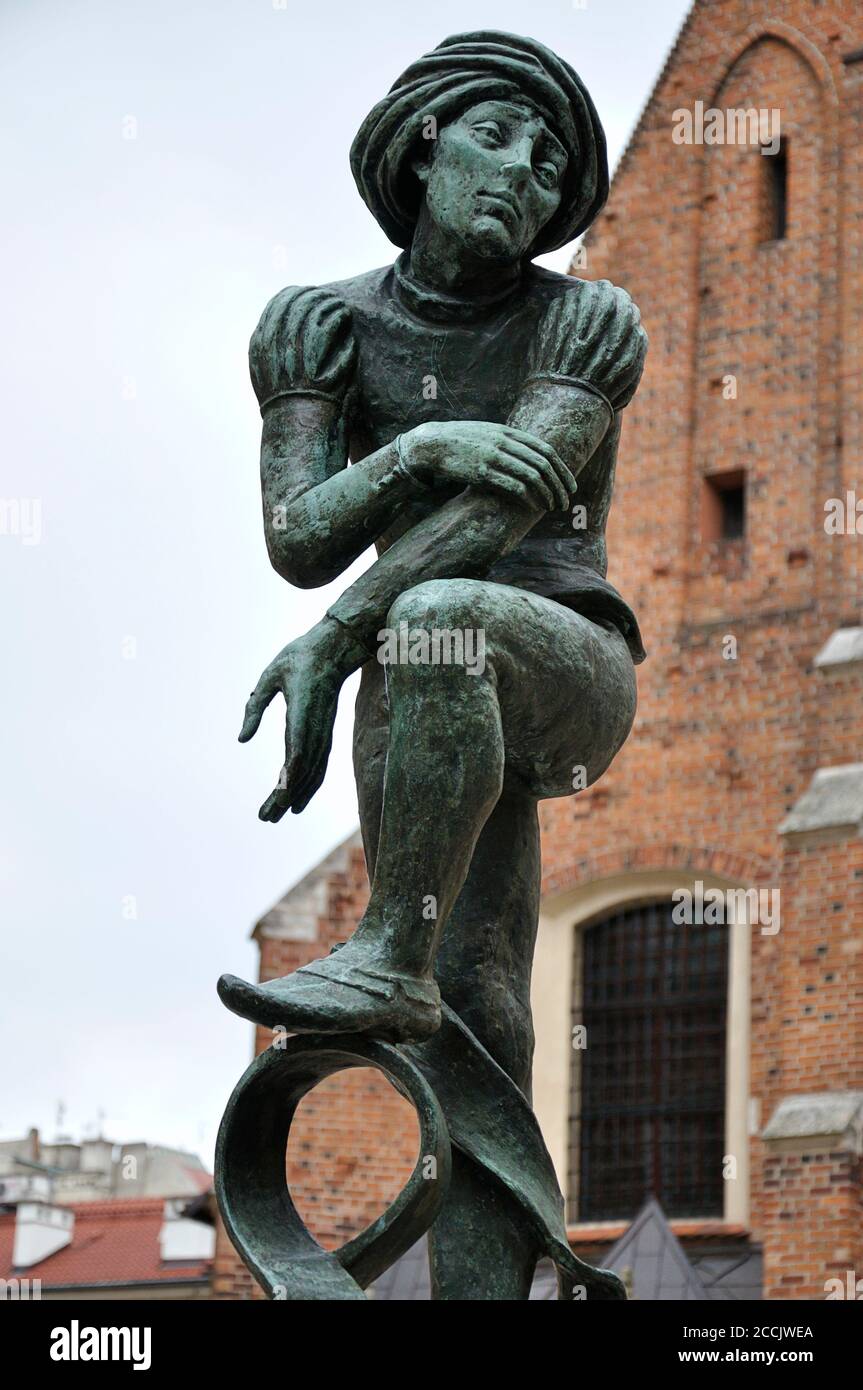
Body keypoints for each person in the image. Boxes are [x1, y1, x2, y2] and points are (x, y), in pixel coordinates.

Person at [219, 30, 647, 1299]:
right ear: (423, 144)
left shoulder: (582, 322)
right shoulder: (319, 328)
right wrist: (413, 449)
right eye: (495, 137)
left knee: (438, 613)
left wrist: (335, 635)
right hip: (418, 685)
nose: (521, 172)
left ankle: (385, 954)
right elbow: (297, 537)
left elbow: (507, 509)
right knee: (477, 989)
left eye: (548, 163)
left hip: (564, 667)